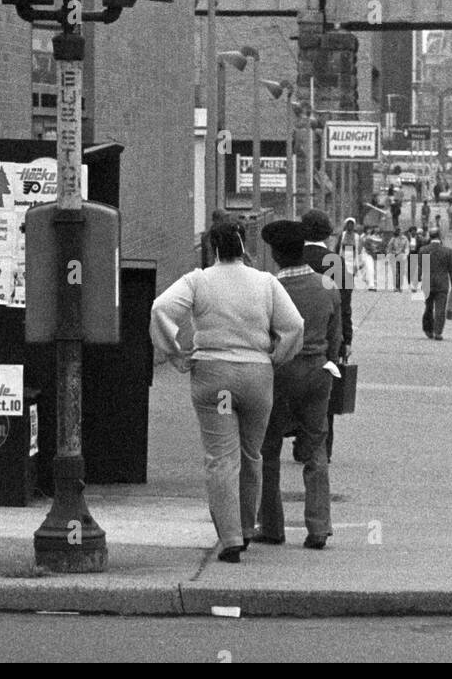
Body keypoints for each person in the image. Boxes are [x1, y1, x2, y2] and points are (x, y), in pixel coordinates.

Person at [150, 219, 304, 564]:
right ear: (244, 246)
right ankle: (248, 528)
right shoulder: (266, 283)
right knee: (252, 455)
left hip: (215, 379)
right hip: (256, 377)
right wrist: (276, 358)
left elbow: (161, 308)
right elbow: (294, 326)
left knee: (221, 458)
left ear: (212, 248)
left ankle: (230, 536)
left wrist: (175, 352)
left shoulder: (198, 280)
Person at [253, 220, 343, 550]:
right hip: (318, 373)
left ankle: (272, 526)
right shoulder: (327, 286)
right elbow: (337, 338)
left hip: (279, 374)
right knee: (315, 447)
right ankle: (319, 527)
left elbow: (260, 335)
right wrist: (328, 361)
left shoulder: (269, 289)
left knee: (269, 449)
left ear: (276, 254)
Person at [300, 210, 352, 463]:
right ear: (328, 234)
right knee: (325, 394)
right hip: (328, 335)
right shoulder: (336, 262)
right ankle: (322, 447)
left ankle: (299, 439)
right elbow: (344, 303)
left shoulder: (294, 257)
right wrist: (346, 338)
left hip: (295, 333)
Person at [418, 227, 452, 340]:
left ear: (430, 237)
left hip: (427, 283)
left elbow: (421, 267)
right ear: (440, 237)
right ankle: (438, 332)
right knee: (440, 309)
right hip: (442, 284)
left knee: (428, 307)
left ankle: (428, 329)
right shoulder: (448, 251)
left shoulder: (423, 250)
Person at [387, 227, 410, 292]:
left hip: (402, 257)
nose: (402, 233)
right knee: (395, 272)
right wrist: (392, 253)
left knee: (402, 272)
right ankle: (396, 286)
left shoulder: (405, 239)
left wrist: (406, 254)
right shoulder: (393, 239)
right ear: (398, 232)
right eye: (400, 232)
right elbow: (389, 248)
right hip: (394, 257)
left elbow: (407, 247)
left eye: (402, 232)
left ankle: (401, 286)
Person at [361, 225, 382, 290]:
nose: (369, 231)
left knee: (372, 269)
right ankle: (368, 281)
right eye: (368, 229)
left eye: (370, 229)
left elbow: (379, 245)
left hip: (373, 254)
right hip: (365, 253)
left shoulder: (375, 237)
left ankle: (372, 283)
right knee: (368, 268)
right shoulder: (362, 236)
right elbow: (362, 245)